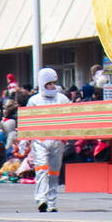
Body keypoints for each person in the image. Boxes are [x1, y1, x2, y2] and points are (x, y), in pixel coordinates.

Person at [27, 67, 69, 213]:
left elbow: (70, 117)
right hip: (40, 140)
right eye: (49, 84)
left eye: (53, 83)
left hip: (57, 140)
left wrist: (66, 137)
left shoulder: (63, 99)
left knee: (54, 172)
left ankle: (52, 202)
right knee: (41, 169)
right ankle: (41, 199)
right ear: (42, 84)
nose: (52, 86)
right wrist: (27, 139)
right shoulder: (34, 101)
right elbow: (28, 121)